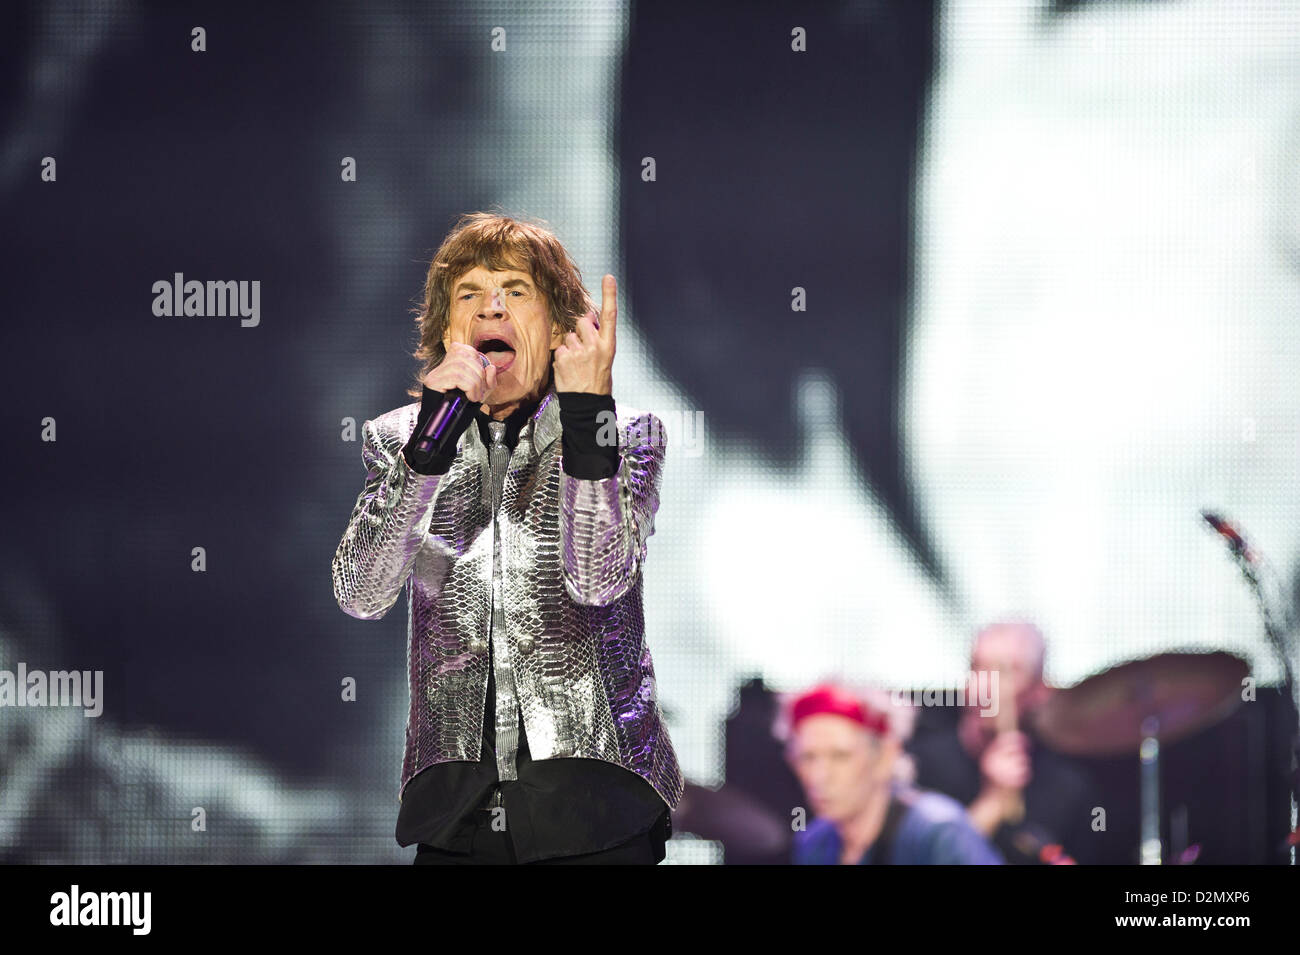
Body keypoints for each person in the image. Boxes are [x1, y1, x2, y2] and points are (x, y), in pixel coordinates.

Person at [331, 212, 682, 864]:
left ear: (557, 327)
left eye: (516, 291)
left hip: (593, 804)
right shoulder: (401, 438)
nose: (492, 305)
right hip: (457, 810)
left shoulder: (624, 432)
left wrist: (585, 416)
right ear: (446, 331)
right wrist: (428, 450)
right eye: (470, 294)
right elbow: (362, 591)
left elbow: (598, 576)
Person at [908, 621, 1098, 865]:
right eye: (977, 668)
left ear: (1039, 690)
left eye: (1005, 672)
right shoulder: (919, 766)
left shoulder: (1068, 786)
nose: (983, 686)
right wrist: (993, 800)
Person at [784, 683, 1002, 865]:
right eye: (807, 757)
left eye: (840, 756)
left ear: (885, 757)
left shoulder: (938, 832)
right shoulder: (814, 843)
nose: (819, 776)